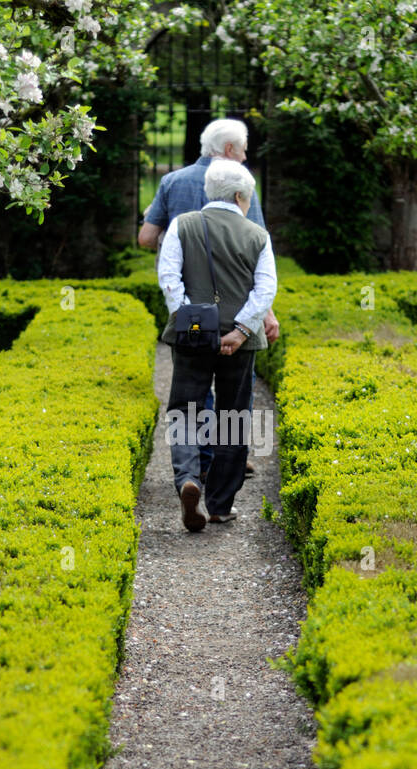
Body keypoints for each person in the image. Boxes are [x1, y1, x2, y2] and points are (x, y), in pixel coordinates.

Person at [139, 119, 280, 480]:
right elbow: (261, 267)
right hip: (238, 317)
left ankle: (190, 471)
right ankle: (224, 478)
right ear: (231, 150)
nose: (247, 157)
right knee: (236, 405)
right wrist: (260, 316)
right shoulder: (245, 194)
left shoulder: (172, 183)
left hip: (191, 314)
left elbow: (146, 240)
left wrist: (185, 311)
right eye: (245, 149)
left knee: (187, 401)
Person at [158, 159, 276, 531]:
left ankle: (188, 479)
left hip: (192, 338)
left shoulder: (183, 225)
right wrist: (240, 330)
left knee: (185, 411)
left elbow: (169, 278)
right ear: (241, 196)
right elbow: (265, 289)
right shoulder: (257, 234)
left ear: (210, 192)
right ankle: (221, 505)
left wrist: (192, 321)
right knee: (233, 417)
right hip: (240, 344)